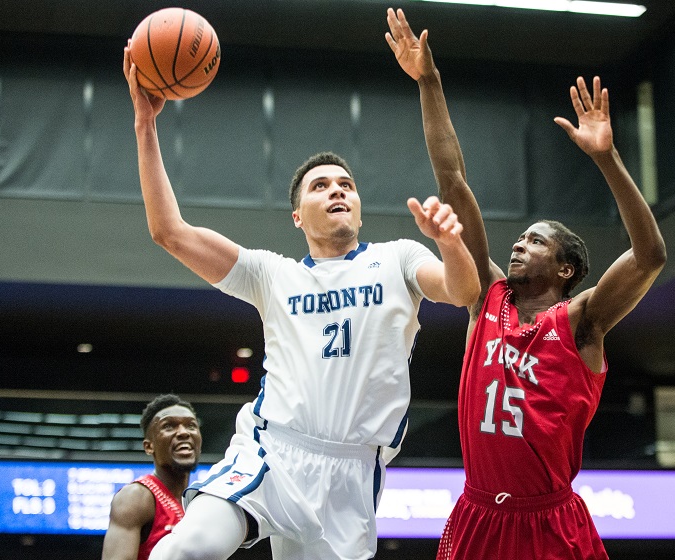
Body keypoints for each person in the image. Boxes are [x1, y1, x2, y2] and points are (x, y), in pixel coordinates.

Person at [122, 38, 480, 560]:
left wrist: (450, 244)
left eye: (346, 185)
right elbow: (168, 230)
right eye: (320, 186)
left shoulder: (397, 258)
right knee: (184, 551)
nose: (337, 191)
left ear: (358, 207)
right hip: (272, 452)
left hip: (352, 473)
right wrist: (145, 125)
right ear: (297, 215)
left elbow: (465, 291)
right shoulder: (272, 274)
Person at [386, 8, 667, 559]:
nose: (519, 244)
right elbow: (453, 180)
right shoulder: (485, 298)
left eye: (537, 242)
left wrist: (607, 159)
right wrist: (429, 82)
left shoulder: (582, 323)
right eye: (521, 238)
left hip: (550, 521)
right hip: (478, 513)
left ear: (566, 269)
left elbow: (650, 255)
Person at [102, 394, 203, 560]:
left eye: (191, 426)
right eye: (169, 426)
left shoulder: (201, 501)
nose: (183, 432)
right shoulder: (135, 497)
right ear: (149, 446)